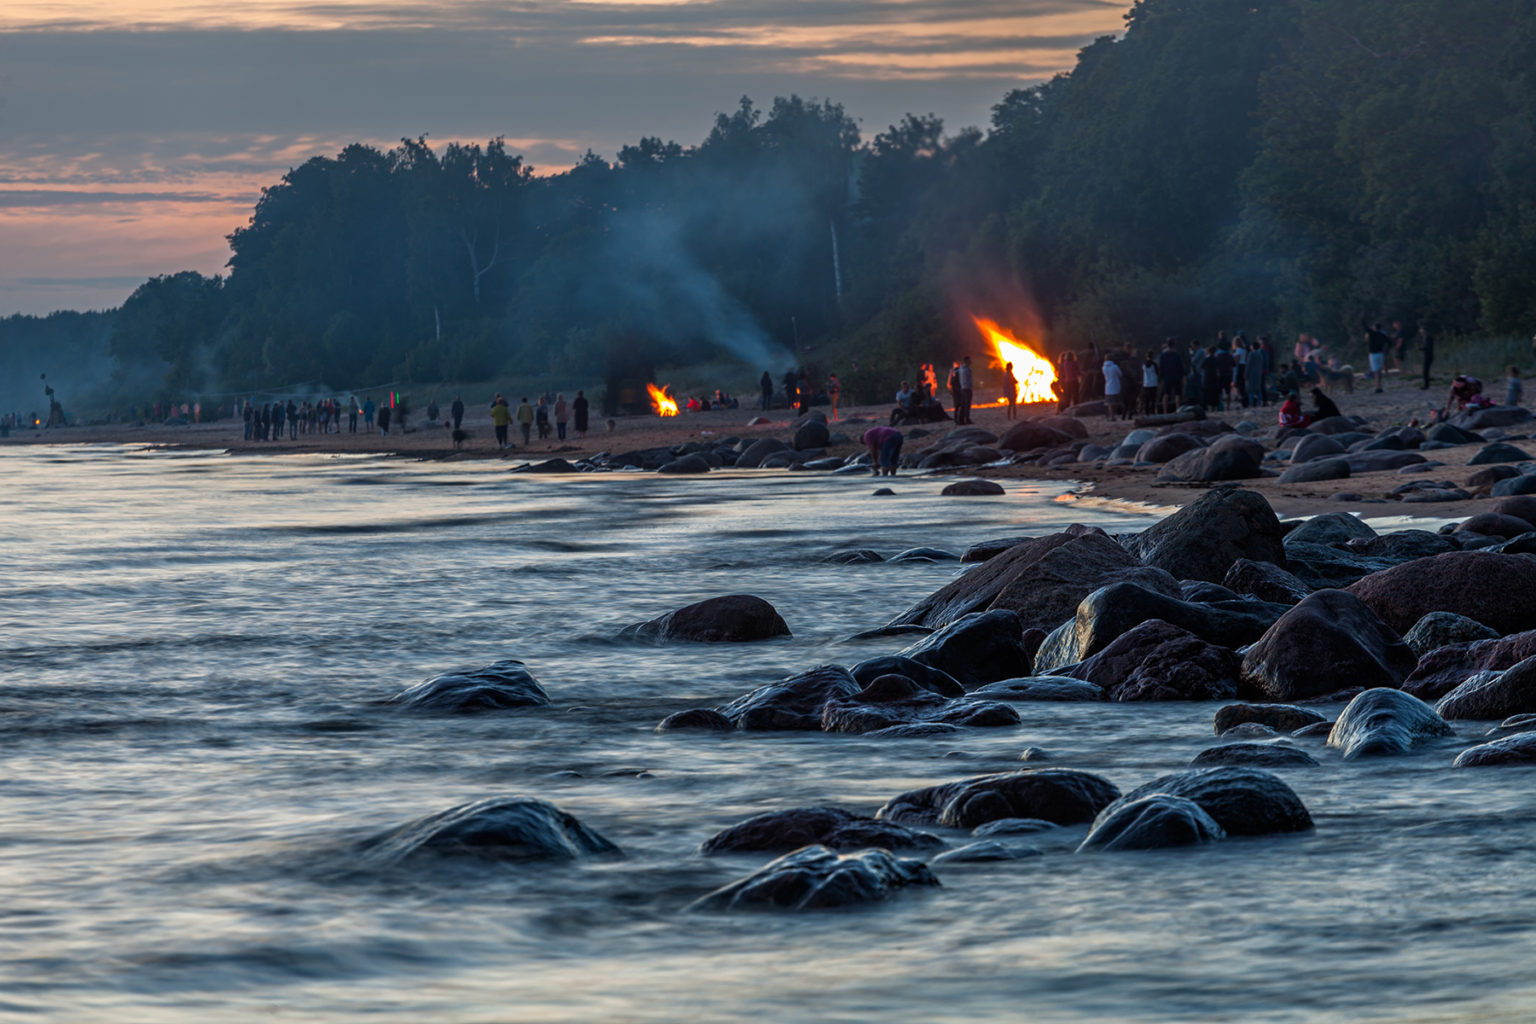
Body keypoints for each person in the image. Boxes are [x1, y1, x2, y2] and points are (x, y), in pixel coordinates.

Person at [1363, 318, 1390, 392]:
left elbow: (1364, 326)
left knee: (1375, 372)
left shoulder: (1372, 333)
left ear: (1374, 327)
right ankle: (1380, 385)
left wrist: (1362, 318)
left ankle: (1378, 387)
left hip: (1373, 354)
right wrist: (1386, 351)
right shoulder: (1382, 335)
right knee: (1379, 371)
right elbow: (1388, 342)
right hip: (1380, 354)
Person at [1157, 339, 1184, 413]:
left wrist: (1161, 377)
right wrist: (1181, 376)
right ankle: (1178, 410)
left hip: (1167, 377)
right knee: (1177, 394)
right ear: (1174, 345)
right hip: (1176, 376)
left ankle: (1165, 411)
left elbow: (1161, 366)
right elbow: (1180, 367)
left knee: (1166, 394)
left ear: (1167, 345)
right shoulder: (1177, 355)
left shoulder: (1163, 355)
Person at [1102, 356, 1124, 420]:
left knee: (1109, 404)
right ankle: (1121, 415)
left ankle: (1111, 416)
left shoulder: (1103, 367)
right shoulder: (1115, 367)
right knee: (1118, 402)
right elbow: (1120, 374)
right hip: (1116, 386)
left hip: (1108, 387)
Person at [1140, 352, 1160, 416]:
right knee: (1153, 399)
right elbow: (1157, 372)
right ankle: (1153, 412)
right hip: (1153, 383)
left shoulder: (1143, 364)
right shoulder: (1154, 364)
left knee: (1146, 399)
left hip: (1146, 383)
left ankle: (1146, 412)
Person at [956, 356, 974, 425]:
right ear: (966, 361)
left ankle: (961, 419)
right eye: (969, 361)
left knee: (964, 405)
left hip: (963, 388)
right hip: (967, 388)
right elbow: (967, 380)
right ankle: (966, 419)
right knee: (966, 405)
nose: (970, 362)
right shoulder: (966, 369)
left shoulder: (961, 369)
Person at [1418, 326, 1434, 390]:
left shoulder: (1428, 338)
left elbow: (1428, 347)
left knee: (1425, 371)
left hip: (1428, 356)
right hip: (1428, 356)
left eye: (1422, 331)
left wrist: (1421, 348)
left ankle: (1426, 385)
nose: (1421, 333)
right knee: (1425, 371)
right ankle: (1426, 384)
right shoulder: (1426, 338)